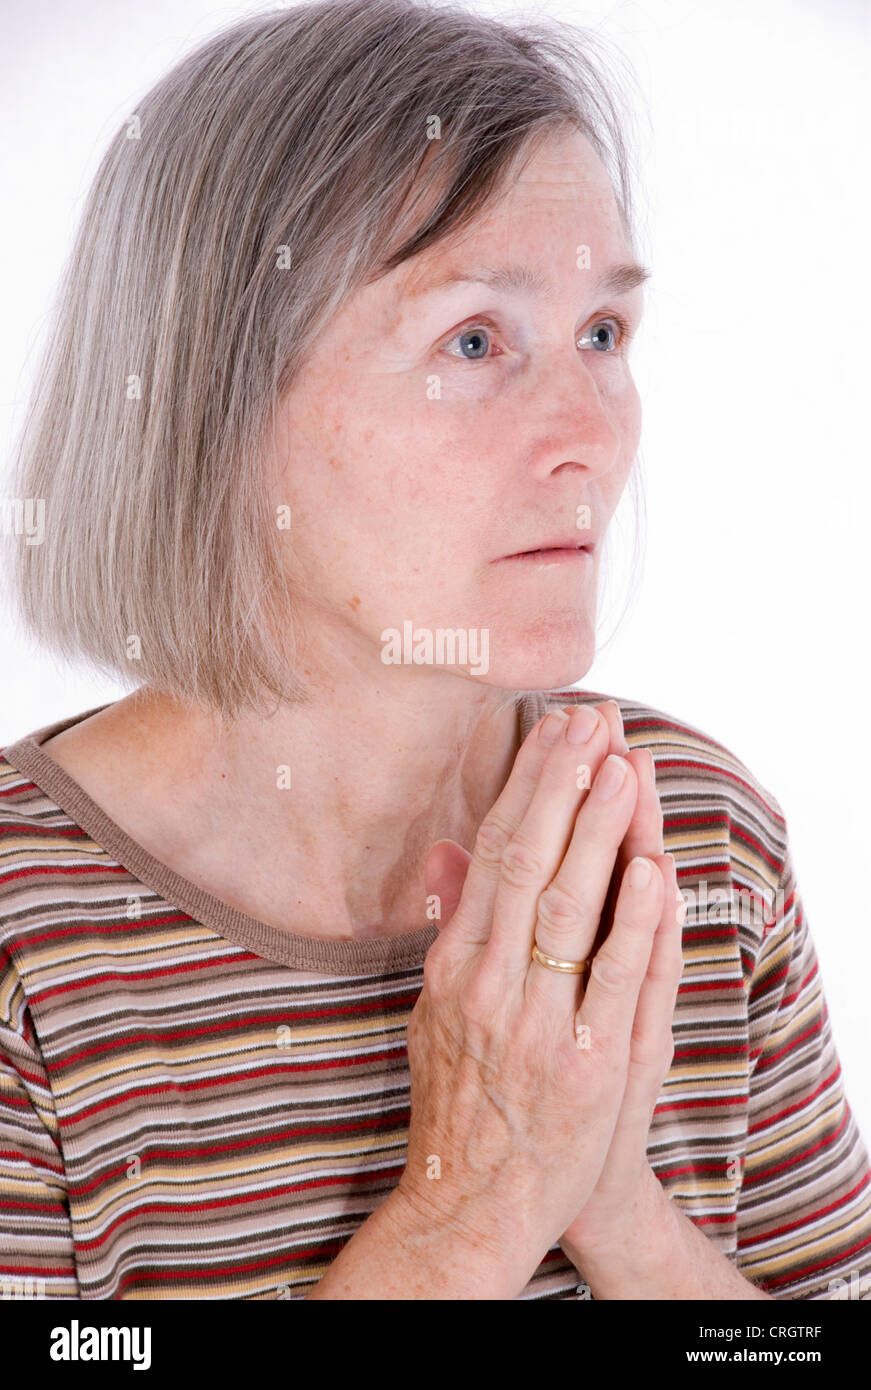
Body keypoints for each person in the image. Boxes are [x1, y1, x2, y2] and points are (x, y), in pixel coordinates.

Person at [1, 0, 869, 1300]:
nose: (592, 435)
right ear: (216, 402)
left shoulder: (694, 830)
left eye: (604, 335)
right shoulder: (27, 954)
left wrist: (620, 1211)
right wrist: (470, 1210)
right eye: (474, 341)